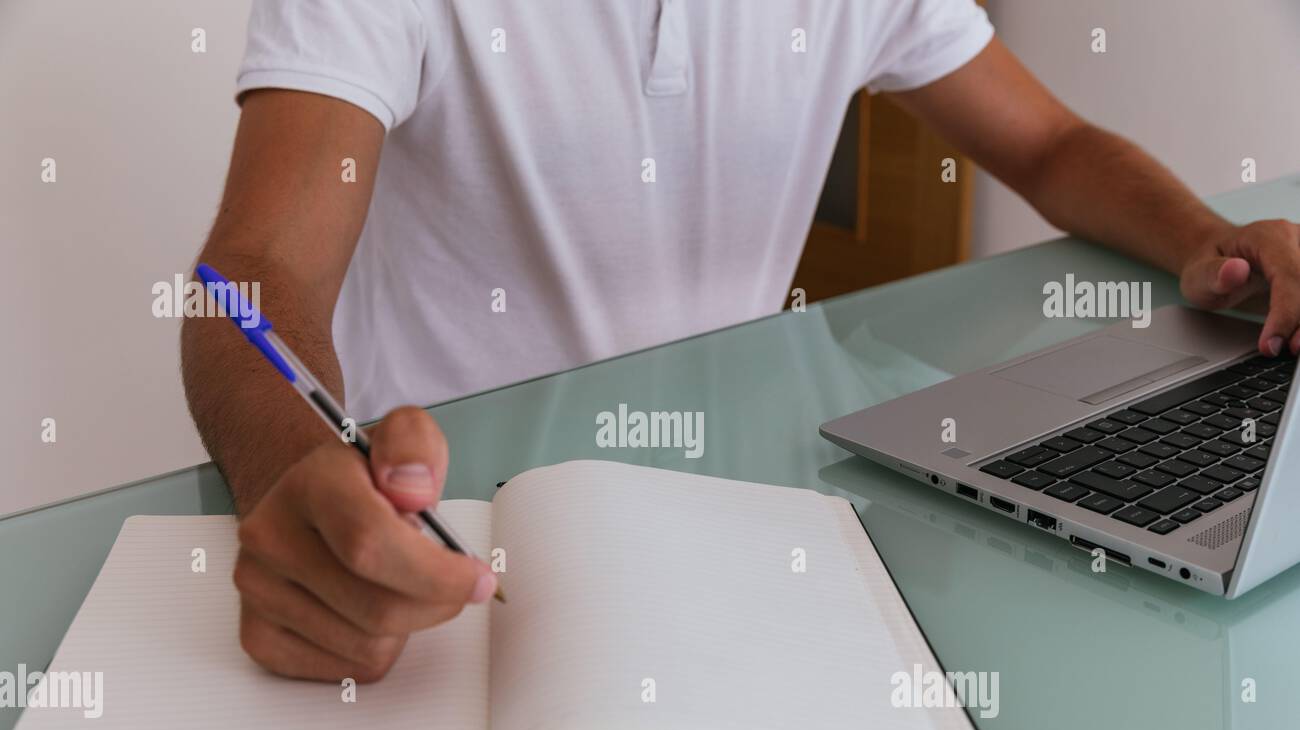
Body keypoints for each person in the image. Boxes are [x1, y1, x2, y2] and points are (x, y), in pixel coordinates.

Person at [182, 0, 1300, 682]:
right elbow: (249, 278)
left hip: (752, 504)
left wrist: (1210, 240)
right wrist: (294, 470)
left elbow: (1049, 143)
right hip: (445, 511)